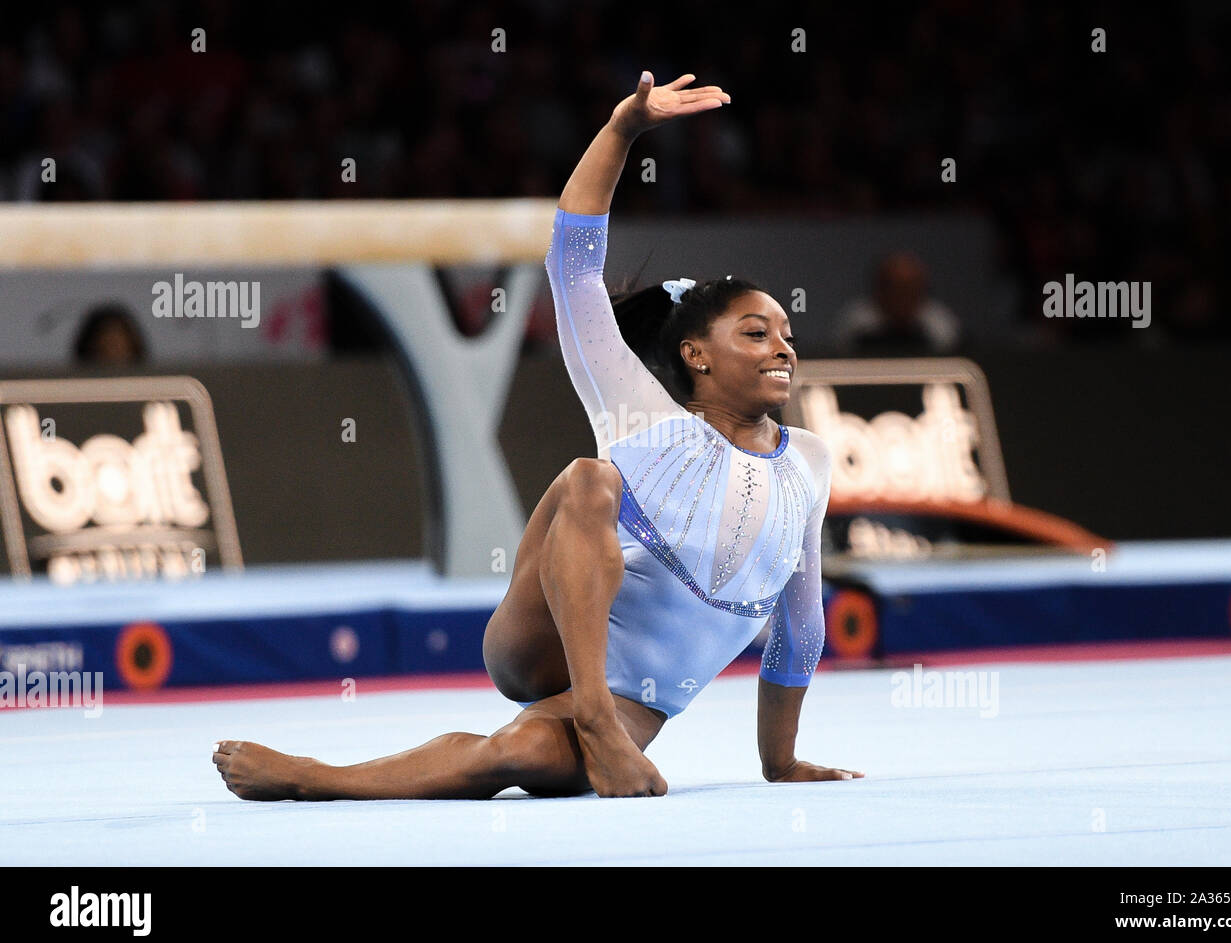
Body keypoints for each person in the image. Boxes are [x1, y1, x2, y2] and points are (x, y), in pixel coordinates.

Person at [213, 71, 862, 800]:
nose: (783, 348)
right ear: (696, 354)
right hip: (543, 642)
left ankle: (314, 778)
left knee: (518, 755)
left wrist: (781, 762)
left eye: (787, 335)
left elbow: (800, 625)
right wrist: (621, 132)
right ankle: (588, 717)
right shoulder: (644, 418)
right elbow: (574, 266)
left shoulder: (807, 460)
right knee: (591, 477)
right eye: (755, 332)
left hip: (636, 702)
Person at [834, 251, 962, 355]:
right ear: (879, 290)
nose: (902, 297)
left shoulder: (940, 325)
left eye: (910, 289)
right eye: (896, 288)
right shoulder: (856, 324)